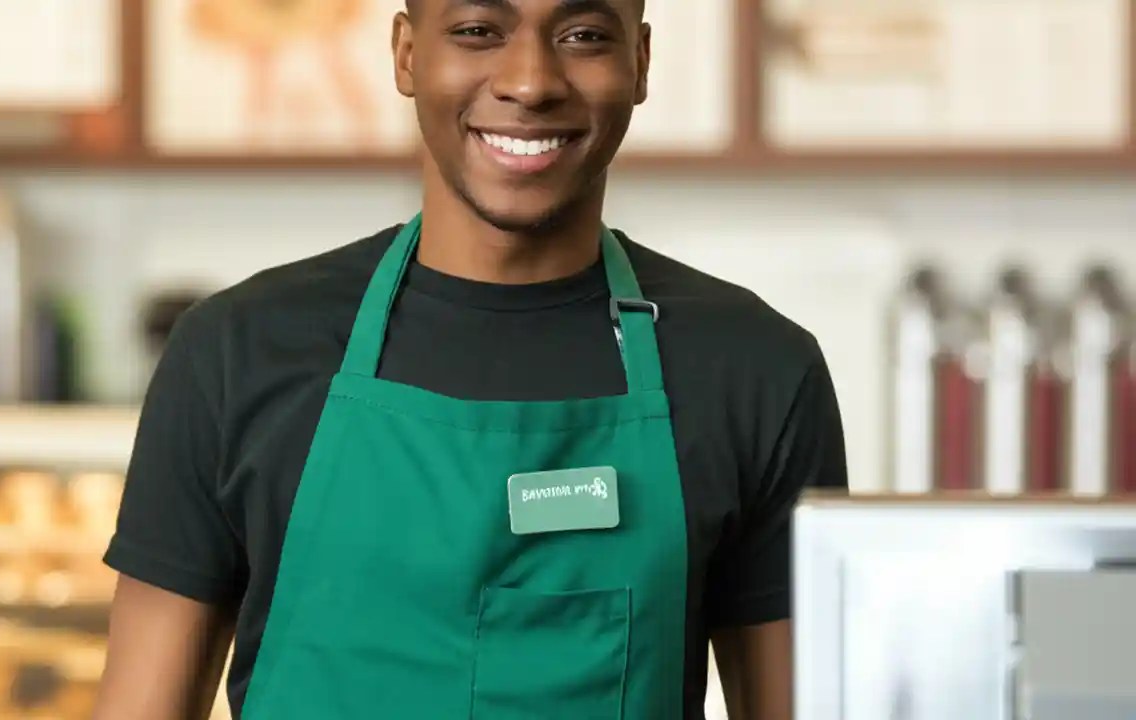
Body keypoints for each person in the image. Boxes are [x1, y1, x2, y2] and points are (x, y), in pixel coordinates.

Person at [92, 0, 848, 717]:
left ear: (640, 62)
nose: (529, 82)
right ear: (408, 53)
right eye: (479, 29)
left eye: (583, 35)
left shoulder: (758, 374)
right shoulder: (234, 355)